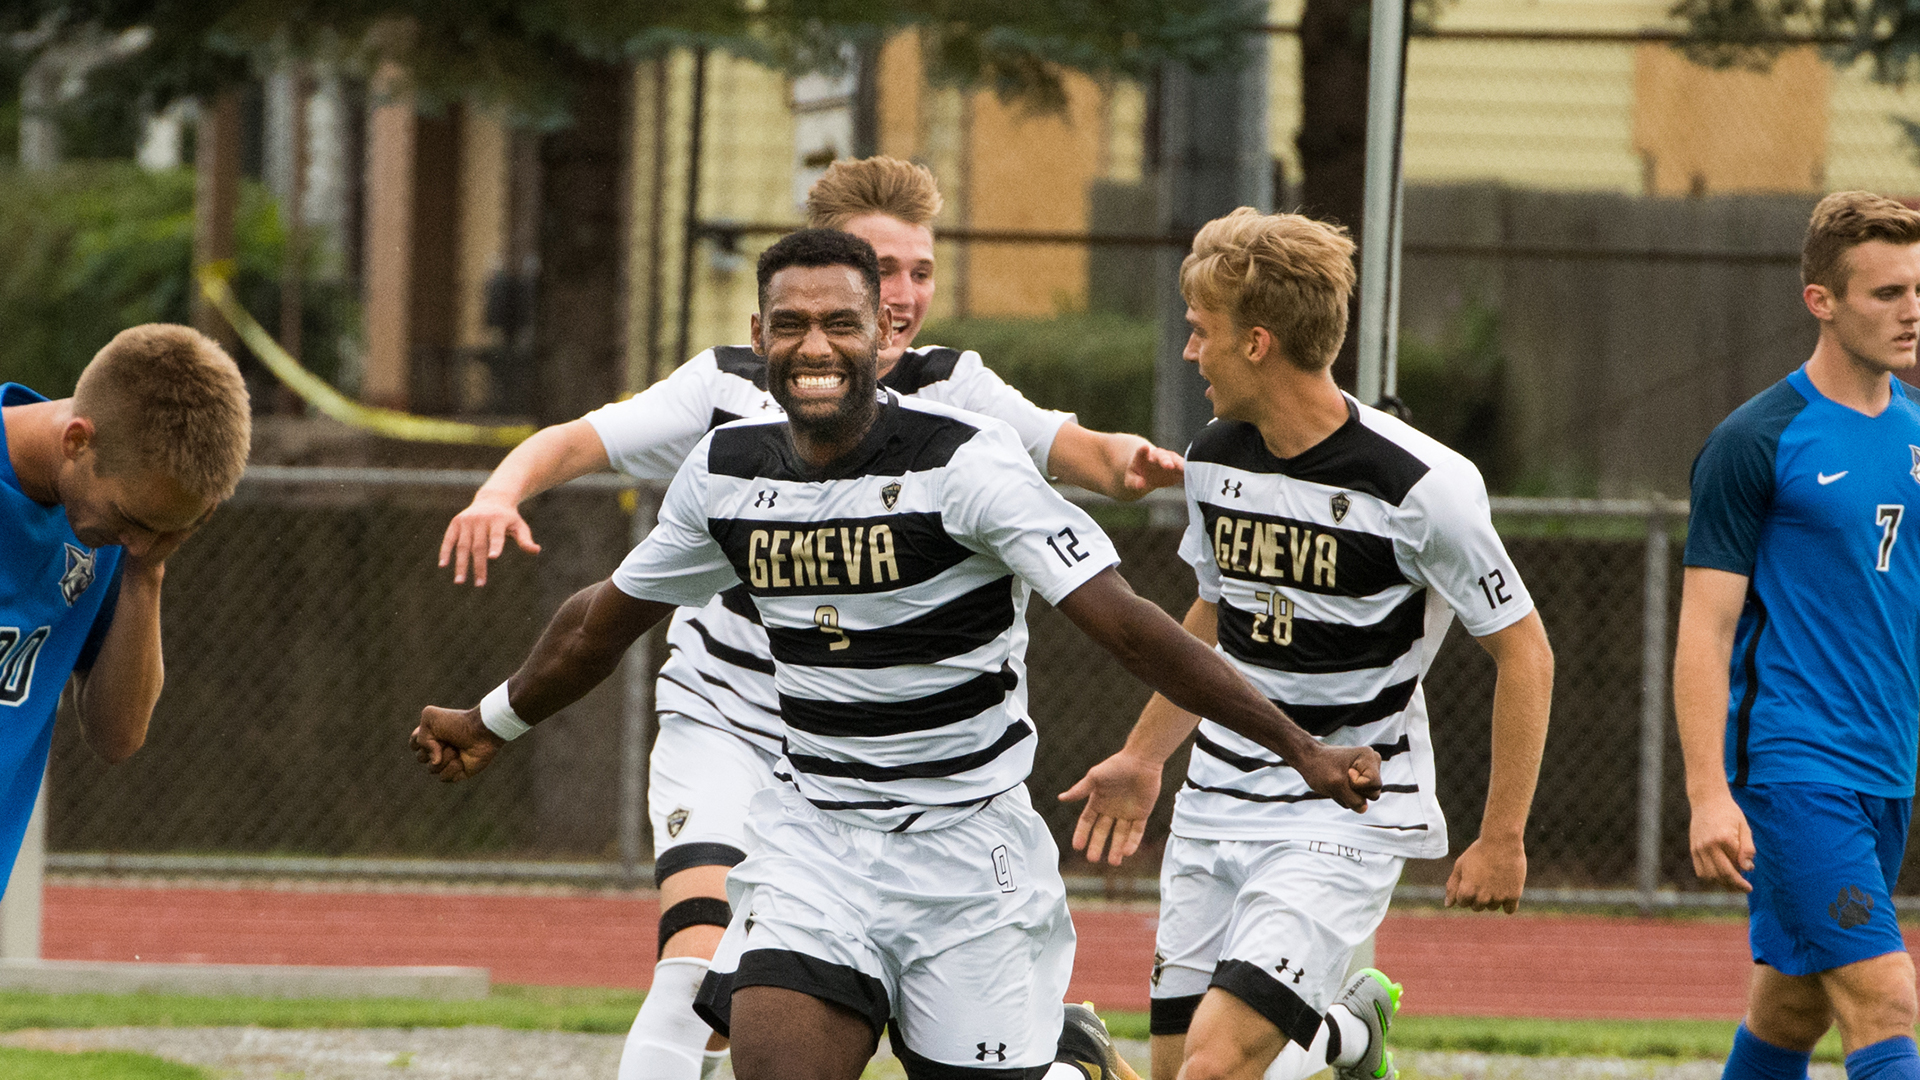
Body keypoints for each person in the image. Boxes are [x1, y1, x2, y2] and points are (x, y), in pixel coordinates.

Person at [413, 229, 1382, 1080]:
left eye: (841, 323)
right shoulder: (727, 470)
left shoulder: (965, 463)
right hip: (815, 845)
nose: (815, 347)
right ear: (759, 341)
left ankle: (1067, 1059)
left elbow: (1130, 625)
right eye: (789, 325)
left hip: (967, 856)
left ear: (881, 335)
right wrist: (491, 718)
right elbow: (601, 620)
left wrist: (1297, 745)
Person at [1059, 208, 1554, 1080]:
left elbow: (1526, 652)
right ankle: (1348, 1036)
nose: (1188, 353)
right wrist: (1145, 757)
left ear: (1255, 343)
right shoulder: (1213, 458)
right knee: (1182, 1069)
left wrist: (1502, 835)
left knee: (1213, 1068)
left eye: (1198, 332)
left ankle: (1091, 1060)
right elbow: (1215, 616)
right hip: (1216, 801)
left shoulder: (1424, 486)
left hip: (1346, 812)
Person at [1676, 190, 1920, 1080]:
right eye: (1885, 293)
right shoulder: (1757, 440)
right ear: (1821, 301)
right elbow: (1706, 627)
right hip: (1793, 769)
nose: (1912, 310)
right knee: (1886, 995)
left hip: (1885, 769)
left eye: (1917, 290)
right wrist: (1710, 792)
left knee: (1793, 1002)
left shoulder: (1917, 430)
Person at [0, 323, 251, 893]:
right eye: (133, 521)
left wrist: (147, 572)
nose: (136, 542)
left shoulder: (109, 535)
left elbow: (117, 737)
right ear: (76, 442)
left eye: (164, 531)